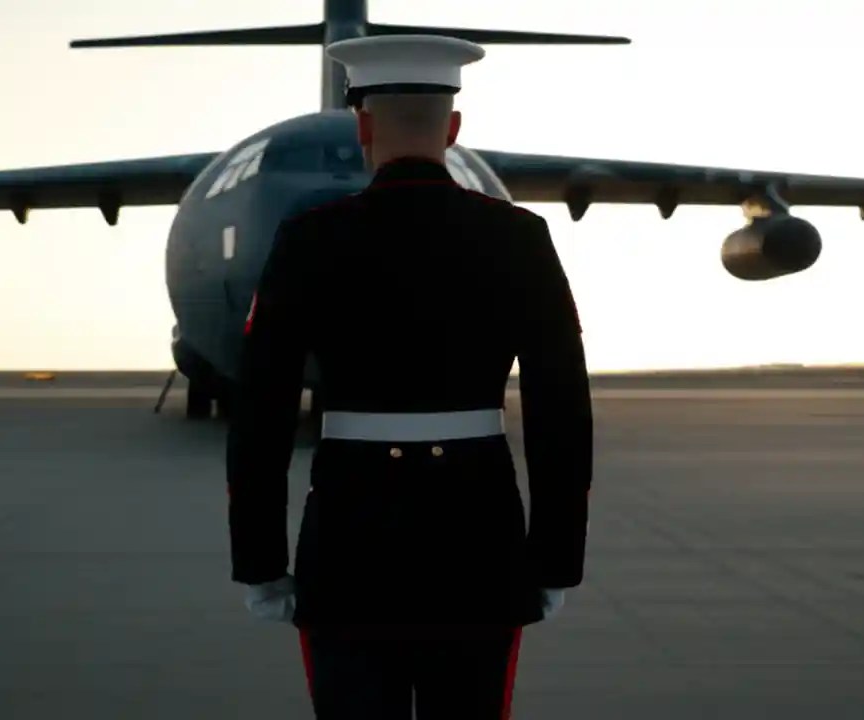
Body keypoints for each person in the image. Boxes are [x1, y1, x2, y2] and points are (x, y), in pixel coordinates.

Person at [225, 33, 593, 719]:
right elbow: (561, 409)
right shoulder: (519, 235)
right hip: (478, 539)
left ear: (362, 127)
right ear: (453, 129)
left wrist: (261, 563)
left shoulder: (309, 238)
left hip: (350, 540)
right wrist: (554, 561)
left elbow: (262, 410)